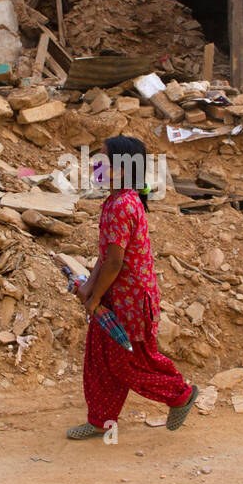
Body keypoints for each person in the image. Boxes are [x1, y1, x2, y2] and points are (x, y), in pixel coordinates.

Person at [67, 136, 199, 439]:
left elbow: (115, 263)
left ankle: (180, 394)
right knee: (100, 359)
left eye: (104, 161)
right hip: (116, 298)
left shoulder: (121, 205)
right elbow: (106, 256)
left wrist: (95, 295)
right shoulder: (116, 201)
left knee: (131, 363)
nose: (96, 165)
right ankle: (100, 419)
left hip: (131, 302)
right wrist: (89, 287)